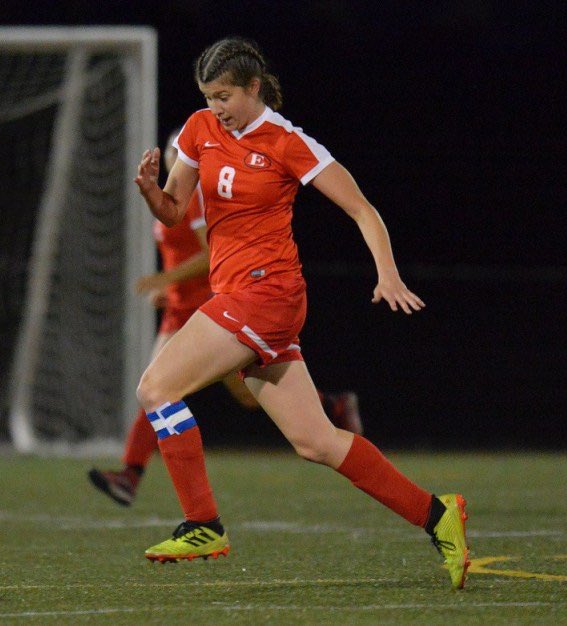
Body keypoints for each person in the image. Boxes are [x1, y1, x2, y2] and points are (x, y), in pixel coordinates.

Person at [131, 38, 469, 590]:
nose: (217, 106)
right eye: (209, 96)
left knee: (156, 387)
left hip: (266, 296)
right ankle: (438, 515)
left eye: (226, 96)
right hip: (247, 298)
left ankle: (202, 523)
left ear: (254, 88)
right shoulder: (199, 129)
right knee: (316, 442)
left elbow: (362, 208)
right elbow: (173, 213)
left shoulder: (287, 141)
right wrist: (150, 191)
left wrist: (386, 272)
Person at [89, 129, 363, 507]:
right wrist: (168, 289)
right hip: (180, 307)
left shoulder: (201, 193)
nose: (176, 157)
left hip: (211, 305)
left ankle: (145, 483)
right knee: (191, 391)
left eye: (179, 151)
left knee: (159, 388)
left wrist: (165, 279)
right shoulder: (176, 195)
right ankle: (331, 405)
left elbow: (207, 255)